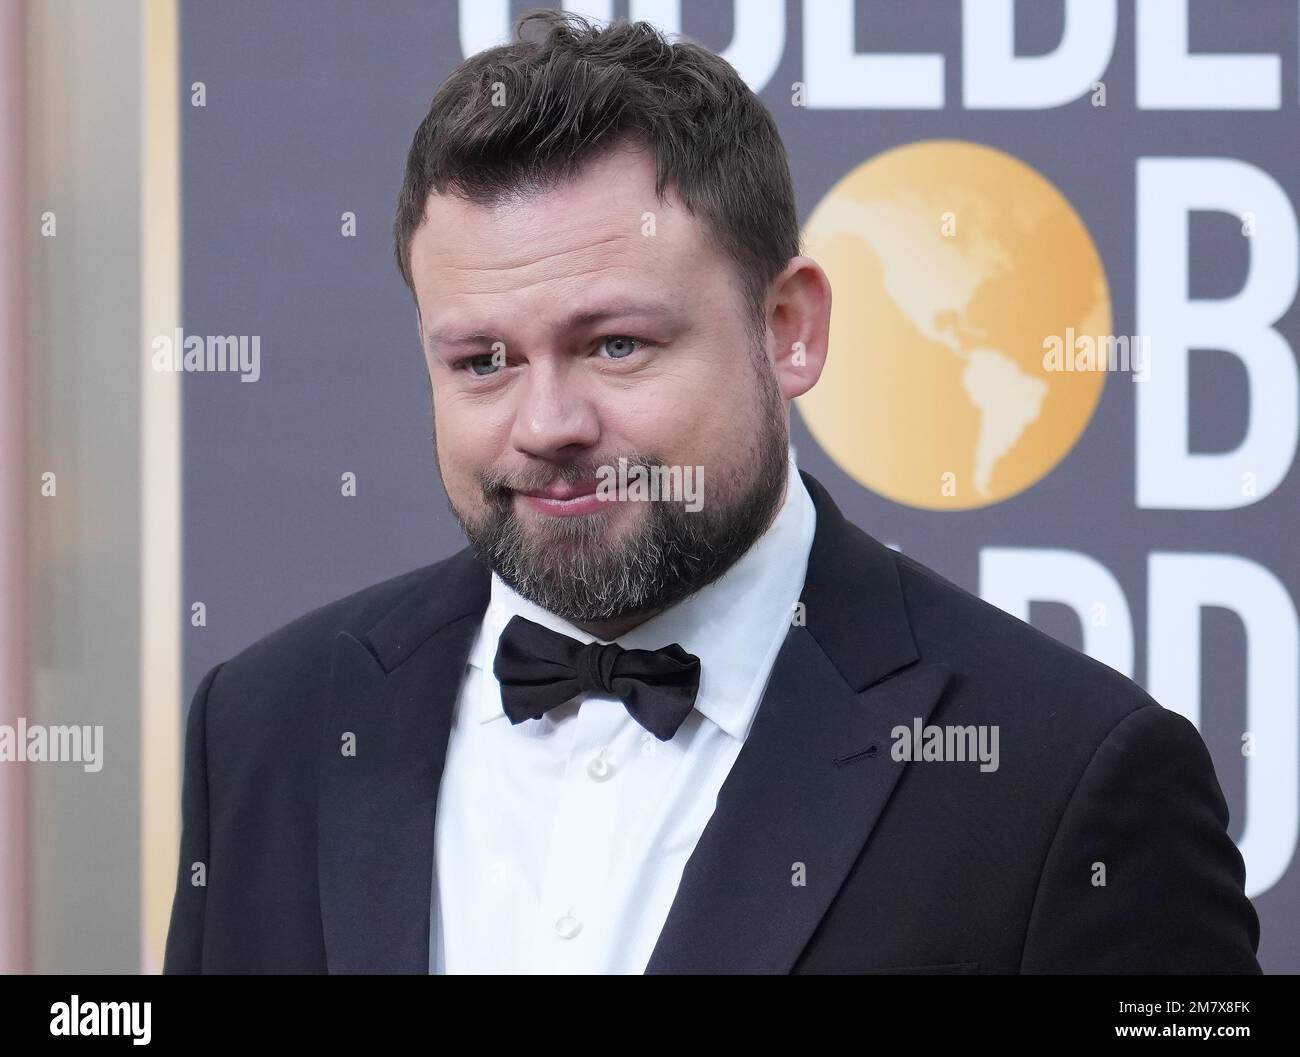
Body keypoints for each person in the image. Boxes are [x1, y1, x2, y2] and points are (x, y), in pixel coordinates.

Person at [163, 11, 1260, 975]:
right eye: (483, 361)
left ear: (789, 330)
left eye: (617, 344)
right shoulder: (267, 731)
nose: (547, 426)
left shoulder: (1070, 775)